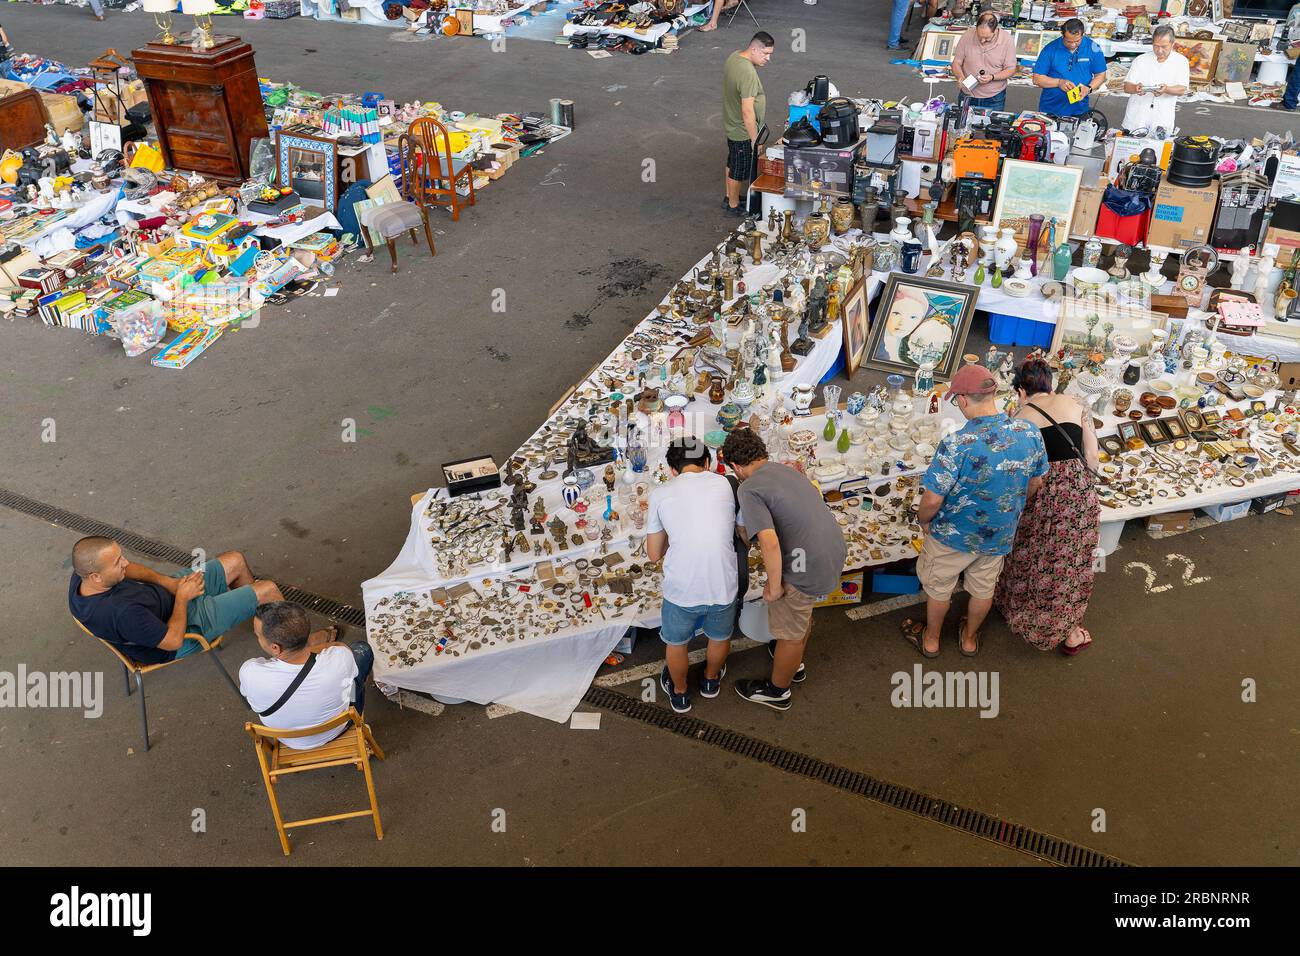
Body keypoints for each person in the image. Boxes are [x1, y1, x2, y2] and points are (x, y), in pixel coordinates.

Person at [902, 365, 1048, 657]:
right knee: (983, 588)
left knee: (939, 587)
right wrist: (1012, 509)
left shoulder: (957, 444)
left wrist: (923, 521)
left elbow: (932, 500)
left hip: (951, 535)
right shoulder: (1028, 431)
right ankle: (969, 639)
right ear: (993, 393)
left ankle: (931, 640)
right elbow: (1036, 482)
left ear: (964, 400)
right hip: (999, 533)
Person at [721, 427, 847, 711]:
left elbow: (770, 543)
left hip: (806, 566)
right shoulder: (785, 469)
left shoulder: (748, 488)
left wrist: (774, 587)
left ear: (736, 466)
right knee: (801, 613)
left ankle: (778, 691)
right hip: (831, 551)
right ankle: (792, 662)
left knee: (791, 629)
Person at [994, 359, 1100, 654]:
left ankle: (1017, 610)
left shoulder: (1019, 419)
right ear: (1050, 383)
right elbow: (1092, 458)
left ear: (1020, 390)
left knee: (1031, 555)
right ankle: (1069, 631)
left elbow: (1018, 469)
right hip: (1076, 494)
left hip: (1040, 494)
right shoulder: (1074, 402)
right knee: (1069, 563)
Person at [69, 537, 283, 664]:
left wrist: (168, 583)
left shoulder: (84, 576)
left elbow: (131, 568)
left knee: (235, 559)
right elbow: (173, 641)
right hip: (183, 629)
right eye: (118, 562)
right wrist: (182, 598)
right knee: (268, 589)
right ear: (95, 576)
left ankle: (262, 622)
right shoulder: (122, 613)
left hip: (171, 595)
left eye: (121, 555)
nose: (125, 562)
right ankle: (294, 649)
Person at [646, 438, 740, 714]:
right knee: (719, 637)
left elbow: (653, 554)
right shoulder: (724, 483)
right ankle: (710, 681)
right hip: (723, 583)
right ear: (708, 464)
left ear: (672, 470)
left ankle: (680, 692)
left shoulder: (661, 493)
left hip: (682, 589)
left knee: (677, 644)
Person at [240, 602, 372, 750]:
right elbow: (340, 646)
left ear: (276, 648)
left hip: (290, 741)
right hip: (339, 728)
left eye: (258, 636)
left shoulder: (250, 673)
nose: (258, 638)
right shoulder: (340, 658)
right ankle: (356, 717)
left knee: (349, 675)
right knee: (361, 651)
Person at [721, 32, 774, 218]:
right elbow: (747, 110)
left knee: (732, 161)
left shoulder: (734, 57)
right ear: (753, 49)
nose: (768, 58)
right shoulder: (748, 73)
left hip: (731, 122)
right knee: (739, 168)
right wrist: (755, 140)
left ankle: (729, 197)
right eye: (765, 53)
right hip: (742, 130)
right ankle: (734, 206)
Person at [1032, 18, 1107, 118]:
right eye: (1068, 41)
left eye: (1077, 41)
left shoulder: (1094, 48)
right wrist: (1059, 82)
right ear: (1062, 35)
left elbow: (1101, 75)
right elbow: (1037, 79)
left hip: (1080, 109)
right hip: (1051, 109)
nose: (1073, 45)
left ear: (1083, 34)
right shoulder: (1050, 49)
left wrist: (1089, 88)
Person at [1121, 25, 1189, 133]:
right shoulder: (1141, 60)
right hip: (1137, 116)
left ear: (1172, 44)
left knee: (1159, 147)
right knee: (1131, 146)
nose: (1159, 50)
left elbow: (1182, 89)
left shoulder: (1181, 62)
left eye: (1164, 46)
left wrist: (1166, 89)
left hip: (1162, 116)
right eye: (1156, 46)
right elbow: (1126, 87)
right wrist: (1135, 88)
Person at [951, 11, 1018, 112]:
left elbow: (1011, 69)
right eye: (979, 36)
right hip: (967, 93)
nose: (982, 41)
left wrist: (992, 77)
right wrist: (961, 78)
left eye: (987, 38)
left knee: (992, 126)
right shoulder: (968, 35)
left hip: (994, 97)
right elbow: (957, 62)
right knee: (962, 125)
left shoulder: (1007, 40)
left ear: (995, 31)